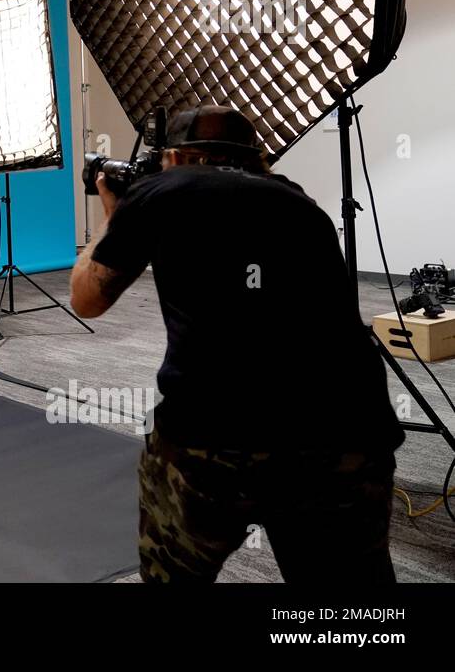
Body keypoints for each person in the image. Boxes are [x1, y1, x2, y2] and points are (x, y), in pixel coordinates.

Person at [69, 104, 403, 582]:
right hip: (349, 434)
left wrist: (114, 214)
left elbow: (87, 298)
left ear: (177, 157)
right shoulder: (301, 202)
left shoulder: (160, 190)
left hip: (215, 437)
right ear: (256, 158)